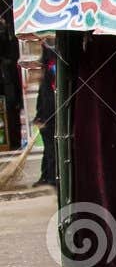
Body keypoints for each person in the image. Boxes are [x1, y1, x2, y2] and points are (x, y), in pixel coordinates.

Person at [34, 43, 57, 189]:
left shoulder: (52, 70)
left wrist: (44, 117)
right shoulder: (48, 70)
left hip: (51, 116)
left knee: (51, 149)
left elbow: (48, 97)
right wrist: (39, 116)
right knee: (48, 148)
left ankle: (50, 178)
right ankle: (46, 176)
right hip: (45, 116)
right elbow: (42, 96)